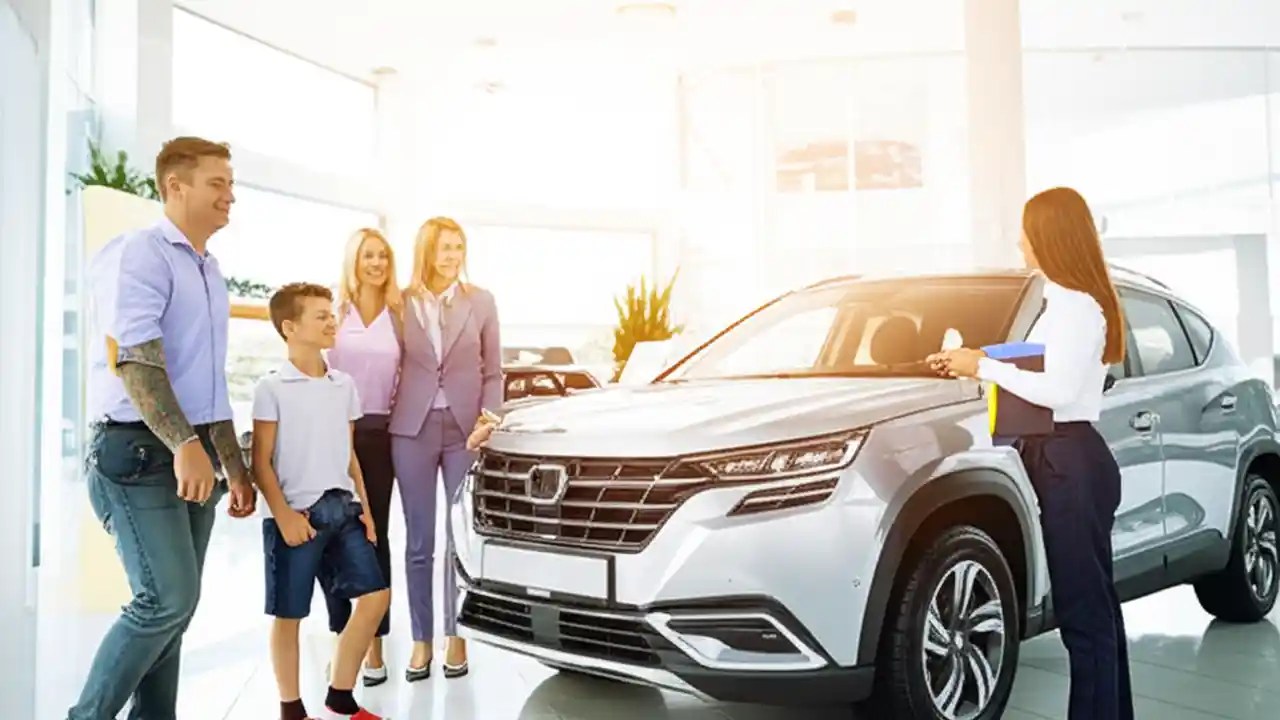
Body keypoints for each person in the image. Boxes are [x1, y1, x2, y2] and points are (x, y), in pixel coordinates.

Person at [928, 186, 1134, 720]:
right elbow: (1045, 374)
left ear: (1049, 236)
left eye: (1026, 230)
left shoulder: (1076, 307)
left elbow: (1060, 391)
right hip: (1069, 459)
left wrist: (985, 367)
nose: (1020, 241)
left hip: (1070, 461)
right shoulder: (1067, 302)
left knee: (1083, 614)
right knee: (1095, 610)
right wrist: (976, 362)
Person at [74, 136, 257, 720]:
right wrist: (184, 444)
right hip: (136, 453)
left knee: (177, 610)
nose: (231, 195)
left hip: (192, 451)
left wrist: (234, 465)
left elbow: (209, 383)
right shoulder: (140, 253)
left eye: (231, 183)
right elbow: (136, 360)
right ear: (175, 187)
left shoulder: (210, 269)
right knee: (165, 599)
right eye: (217, 183)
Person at [251, 282, 391, 720]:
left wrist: (365, 510)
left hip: (344, 510)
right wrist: (284, 515)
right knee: (290, 614)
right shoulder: (271, 387)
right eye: (321, 316)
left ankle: (340, 698)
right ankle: (292, 710)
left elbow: (349, 455)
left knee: (375, 598)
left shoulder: (342, 385)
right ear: (290, 328)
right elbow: (260, 461)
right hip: (297, 515)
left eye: (332, 314)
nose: (332, 322)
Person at [389, 217, 502, 681]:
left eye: (459, 246)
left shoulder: (482, 302)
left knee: (460, 540)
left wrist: (488, 419)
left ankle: (456, 637)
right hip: (410, 429)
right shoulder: (400, 302)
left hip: (464, 431)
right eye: (444, 247)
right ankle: (421, 641)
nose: (453, 255)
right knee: (419, 541)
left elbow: (494, 370)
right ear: (426, 251)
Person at [323, 228, 403, 686]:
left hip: (379, 433)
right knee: (334, 533)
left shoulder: (398, 314)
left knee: (376, 535)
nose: (376, 263)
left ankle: (374, 646)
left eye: (383, 256)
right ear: (354, 260)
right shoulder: (336, 311)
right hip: (334, 431)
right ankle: (341, 640)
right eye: (368, 255)